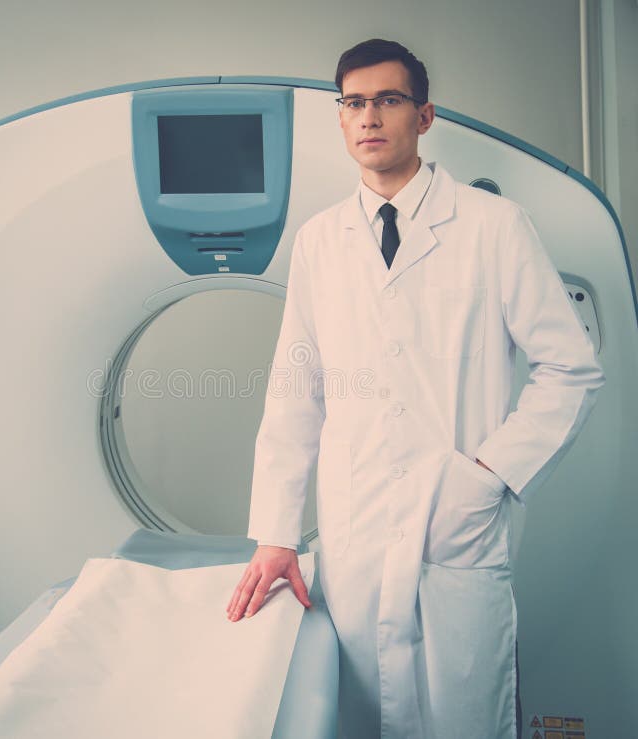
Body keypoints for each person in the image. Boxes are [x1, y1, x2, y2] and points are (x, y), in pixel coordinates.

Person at [225, 38, 605, 739]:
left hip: (453, 521)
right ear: (341, 119)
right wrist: (277, 533)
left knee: (465, 711)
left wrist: (488, 475)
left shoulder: (494, 227)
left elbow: (571, 367)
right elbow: (296, 391)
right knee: (359, 710)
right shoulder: (318, 241)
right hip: (354, 526)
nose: (370, 116)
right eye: (354, 103)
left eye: (389, 100)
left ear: (424, 116)